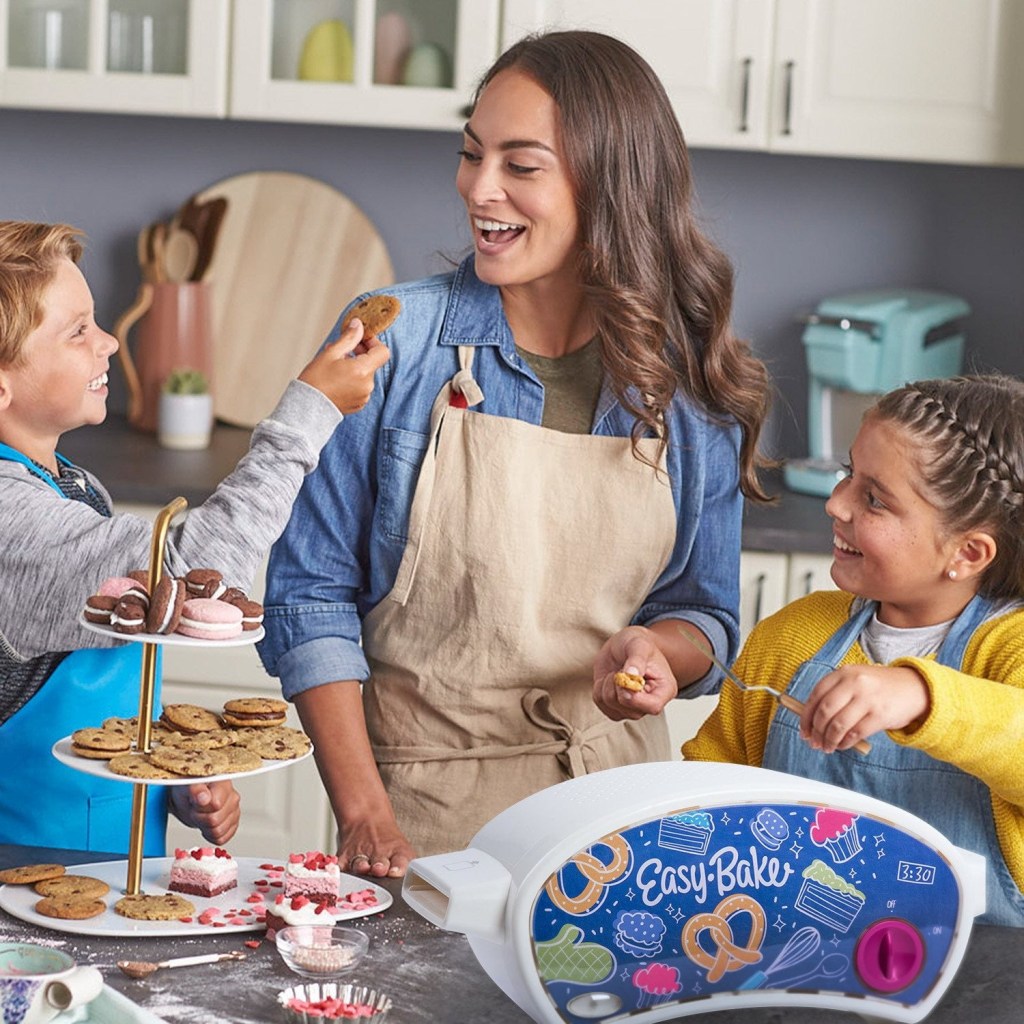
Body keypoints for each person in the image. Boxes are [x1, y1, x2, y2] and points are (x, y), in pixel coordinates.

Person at [258, 30, 772, 877]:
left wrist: (659, 654)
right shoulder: (399, 341)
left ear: (610, 186)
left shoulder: (687, 380)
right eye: (470, 154)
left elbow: (705, 613)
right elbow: (309, 594)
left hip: (619, 810)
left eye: (520, 165)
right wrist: (364, 814)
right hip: (421, 813)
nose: (478, 188)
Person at [0, 220, 390, 855]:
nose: (106, 343)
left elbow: (95, 669)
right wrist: (311, 408)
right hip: (27, 871)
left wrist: (163, 776)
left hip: (110, 859)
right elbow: (185, 571)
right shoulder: (8, 516)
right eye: (77, 332)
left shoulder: (66, 483)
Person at [681, 374, 1024, 925]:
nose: (836, 503)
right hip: (794, 966)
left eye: (873, 498)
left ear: (969, 551)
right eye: (848, 474)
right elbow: (709, 789)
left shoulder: (1010, 649)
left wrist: (920, 694)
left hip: (986, 988)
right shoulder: (793, 636)